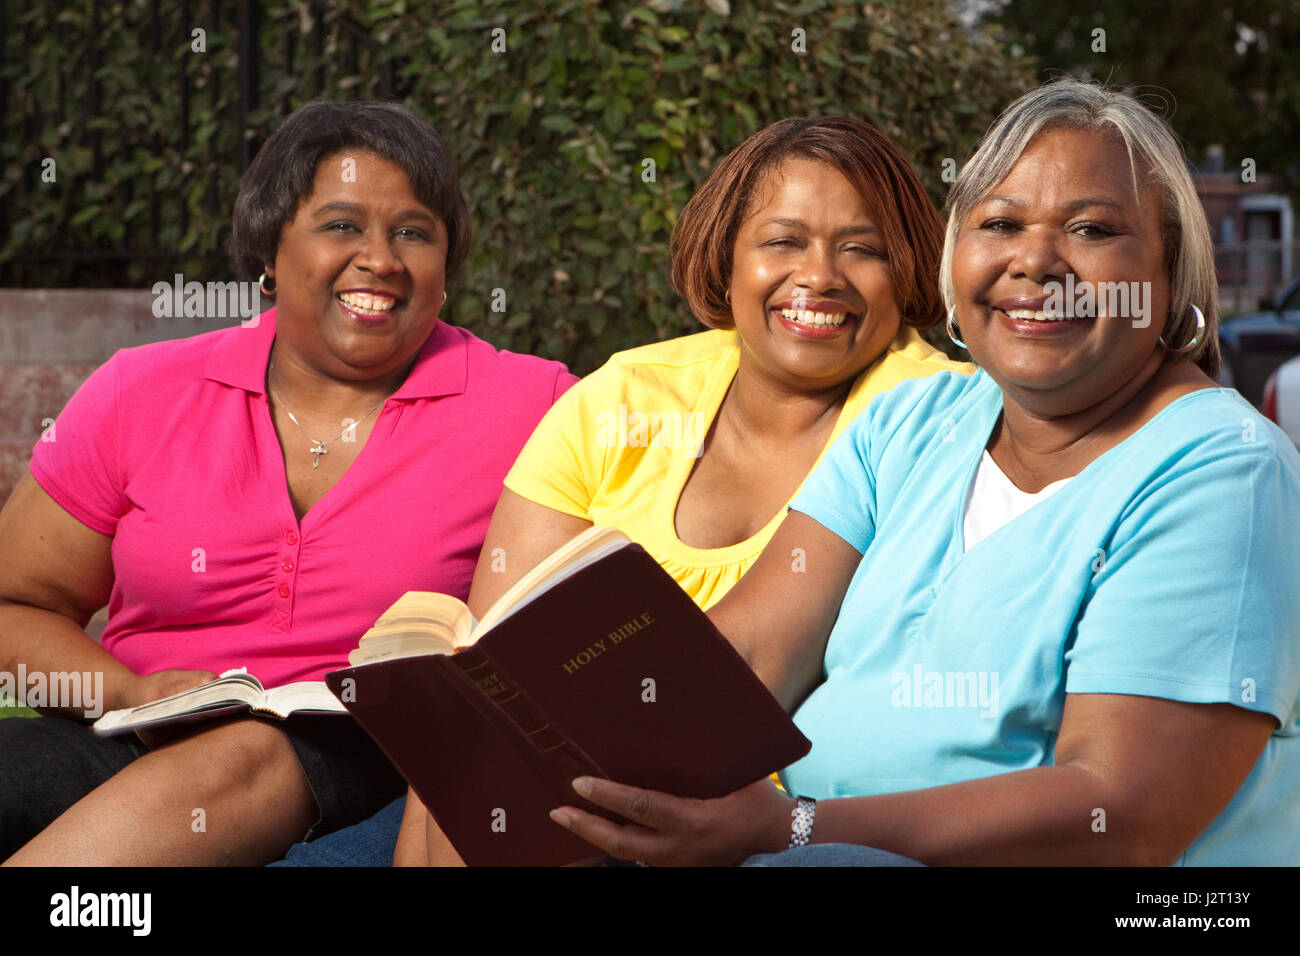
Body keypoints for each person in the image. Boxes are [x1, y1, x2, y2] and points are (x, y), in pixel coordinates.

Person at [545, 79, 1300, 866]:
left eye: (1092, 228)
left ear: (1170, 275)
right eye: (1000, 223)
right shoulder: (910, 425)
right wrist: (547, 744)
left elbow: (1122, 813)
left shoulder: (1224, 474)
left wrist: (792, 829)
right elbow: (751, 658)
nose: (1035, 260)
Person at [274, 114, 973, 866]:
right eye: (782, 241)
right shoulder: (625, 399)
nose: (820, 276)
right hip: (539, 785)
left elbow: (759, 666)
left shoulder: (932, 413)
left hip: (757, 819)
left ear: (905, 267)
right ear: (727, 258)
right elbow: (493, 668)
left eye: (861, 249)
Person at [0, 100, 576, 865]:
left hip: (368, 759)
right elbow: (17, 604)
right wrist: (129, 695)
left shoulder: (535, 405)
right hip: (129, 730)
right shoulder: (141, 391)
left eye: (413, 232)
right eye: (342, 225)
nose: (380, 258)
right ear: (270, 249)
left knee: (240, 758)